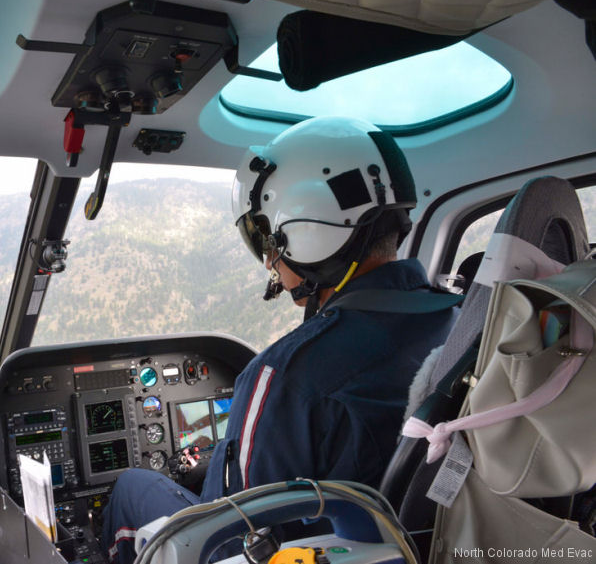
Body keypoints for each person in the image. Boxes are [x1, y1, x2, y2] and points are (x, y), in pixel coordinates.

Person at [101, 116, 458, 563]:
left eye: (269, 240)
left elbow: (229, 535)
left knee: (134, 487)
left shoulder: (286, 373)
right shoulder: (460, 325)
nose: (271, 259)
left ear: (307, 230)